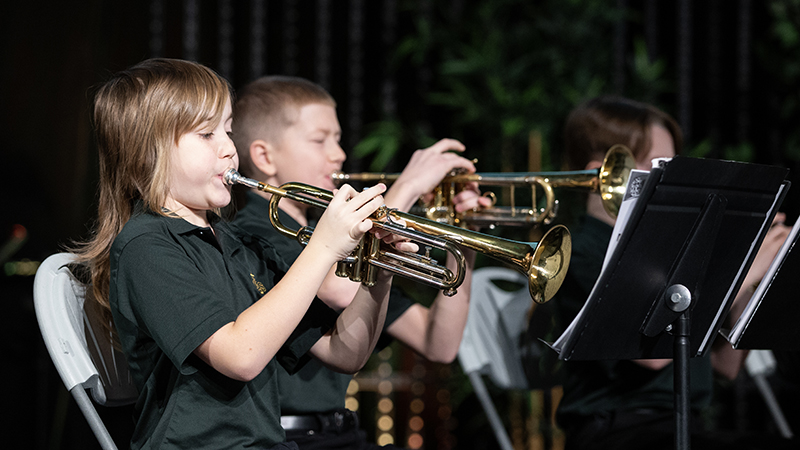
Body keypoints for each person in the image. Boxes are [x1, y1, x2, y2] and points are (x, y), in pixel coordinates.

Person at [72, 58, 406, 450]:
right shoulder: (146, 246)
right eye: (207, 134)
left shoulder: (239, 245)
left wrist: (379, 272)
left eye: (228, 131)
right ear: (149, 150)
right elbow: (240, 355)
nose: (230, 150)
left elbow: (344, 351)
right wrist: (324, 248)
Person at [230, 75, 492, 449]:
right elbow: (335, 287)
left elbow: (439, 343)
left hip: (341, 434)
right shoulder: (257, 229)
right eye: (320, 140)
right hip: (289, 437)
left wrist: (462, 240)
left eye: (337, 139)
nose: (338, 153)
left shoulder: (329, 235)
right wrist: (405, 189)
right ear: (264, 156)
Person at [548, 95, 793, 450]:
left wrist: (756, 283)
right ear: (604, 172)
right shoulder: (580, 251)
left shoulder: (667, 252)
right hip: (617, 430)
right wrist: (736, 274)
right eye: (657, 164)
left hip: (682, 427)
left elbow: (725, 367)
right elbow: (654, 356)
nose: (671, 176)